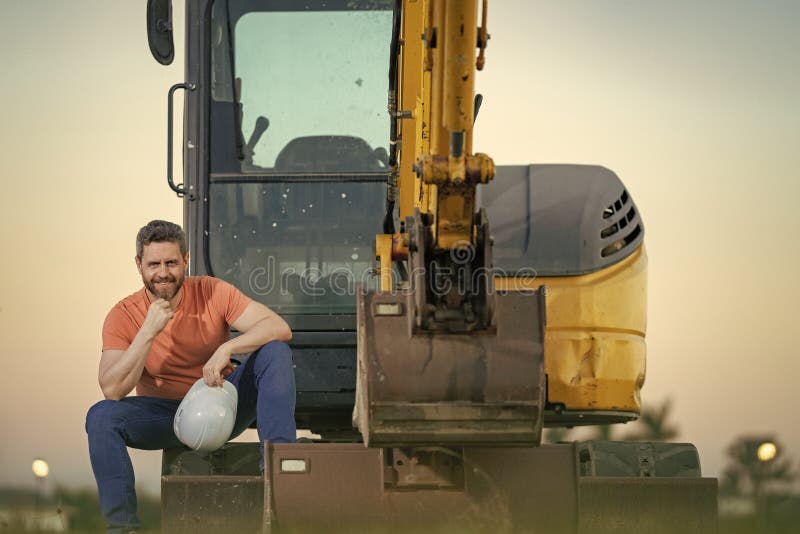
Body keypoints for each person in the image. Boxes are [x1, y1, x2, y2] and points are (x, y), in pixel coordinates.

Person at [85, 220, 296, 533]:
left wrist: (228, 348)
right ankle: (122, 528)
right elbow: (113, 389)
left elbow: (278, 327)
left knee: (275, 352)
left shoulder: (213, 291)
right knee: (101, 417)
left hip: (223, 401)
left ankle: (280, 487)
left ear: (186, 260)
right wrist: (148, 331)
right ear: (139, 265)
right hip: (166, 417)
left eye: (171, 262)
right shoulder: (123, 314)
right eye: (153, 264)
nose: (163, 273)